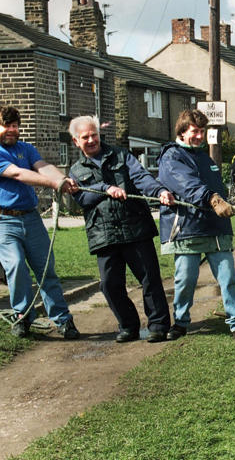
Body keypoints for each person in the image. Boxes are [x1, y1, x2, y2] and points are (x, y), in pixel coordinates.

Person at [0, 105, 80, 339]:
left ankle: (63, 319)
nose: (12, 130)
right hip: (1, 220)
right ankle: (22, 316)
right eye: (7, 126)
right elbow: (18, 174)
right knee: (16, 266)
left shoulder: (26, 149)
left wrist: (62, 179)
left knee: (46, 269)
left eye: (15, 126)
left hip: (30, 218)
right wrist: (54, 185)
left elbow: (43, 167)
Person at [68, 116, 174, 343]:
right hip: (104, 234)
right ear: (76, 141)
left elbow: (141, 177)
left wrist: (158, 192)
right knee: (109, 284)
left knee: (149, 279)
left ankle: (158, 325)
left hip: (135, 227)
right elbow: (82, 198)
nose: (91, 140)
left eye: (93, 135)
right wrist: (105, 188)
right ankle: (128, 326)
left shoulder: (121, 155)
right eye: (85, 137)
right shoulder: (75, 171)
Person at [157, 109, 235, 343]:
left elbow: (215, 184)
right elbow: (186, 184)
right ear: (182, 131)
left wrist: (223, 199)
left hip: (217, 228)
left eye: (202, 131)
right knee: (185, 279)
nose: (199, 136)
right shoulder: (171, 157)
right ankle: (180, 322)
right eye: (194, 131)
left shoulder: (206, 157)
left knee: (228, 278)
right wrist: (213, 199)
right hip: (187, 227)